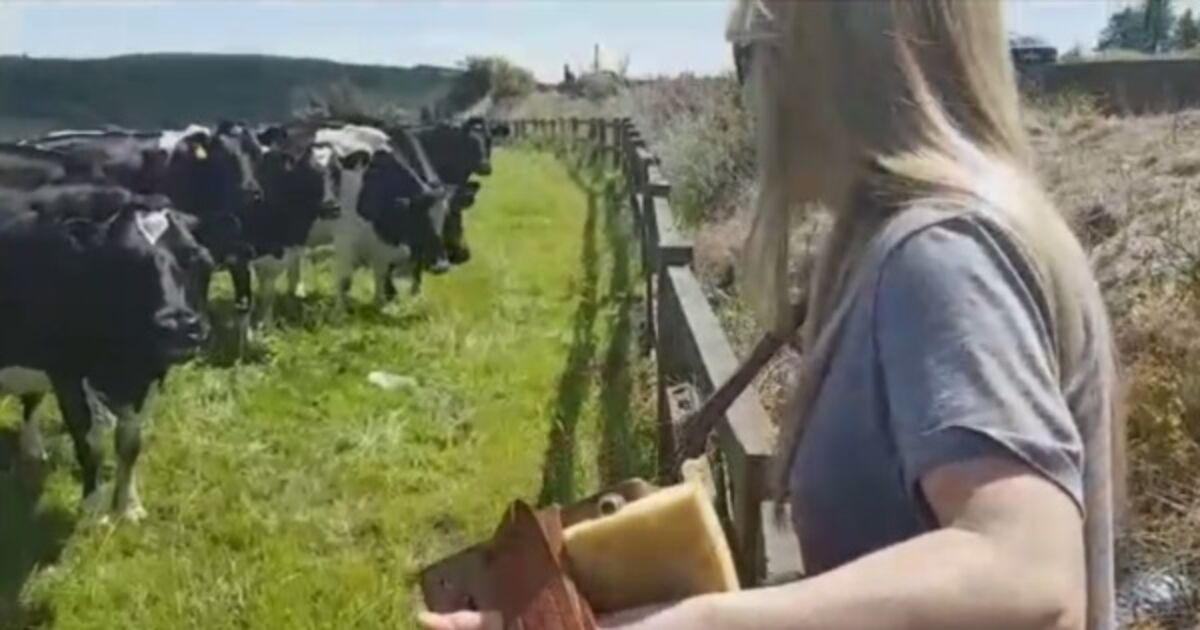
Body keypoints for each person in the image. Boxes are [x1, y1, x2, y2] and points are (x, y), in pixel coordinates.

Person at [418, 1, 1125, 628]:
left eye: (743, 57)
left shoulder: (937, 254)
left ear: (820, 59)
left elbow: (1027, 572)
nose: (743, 97)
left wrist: (708, 623)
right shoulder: (941, 235)